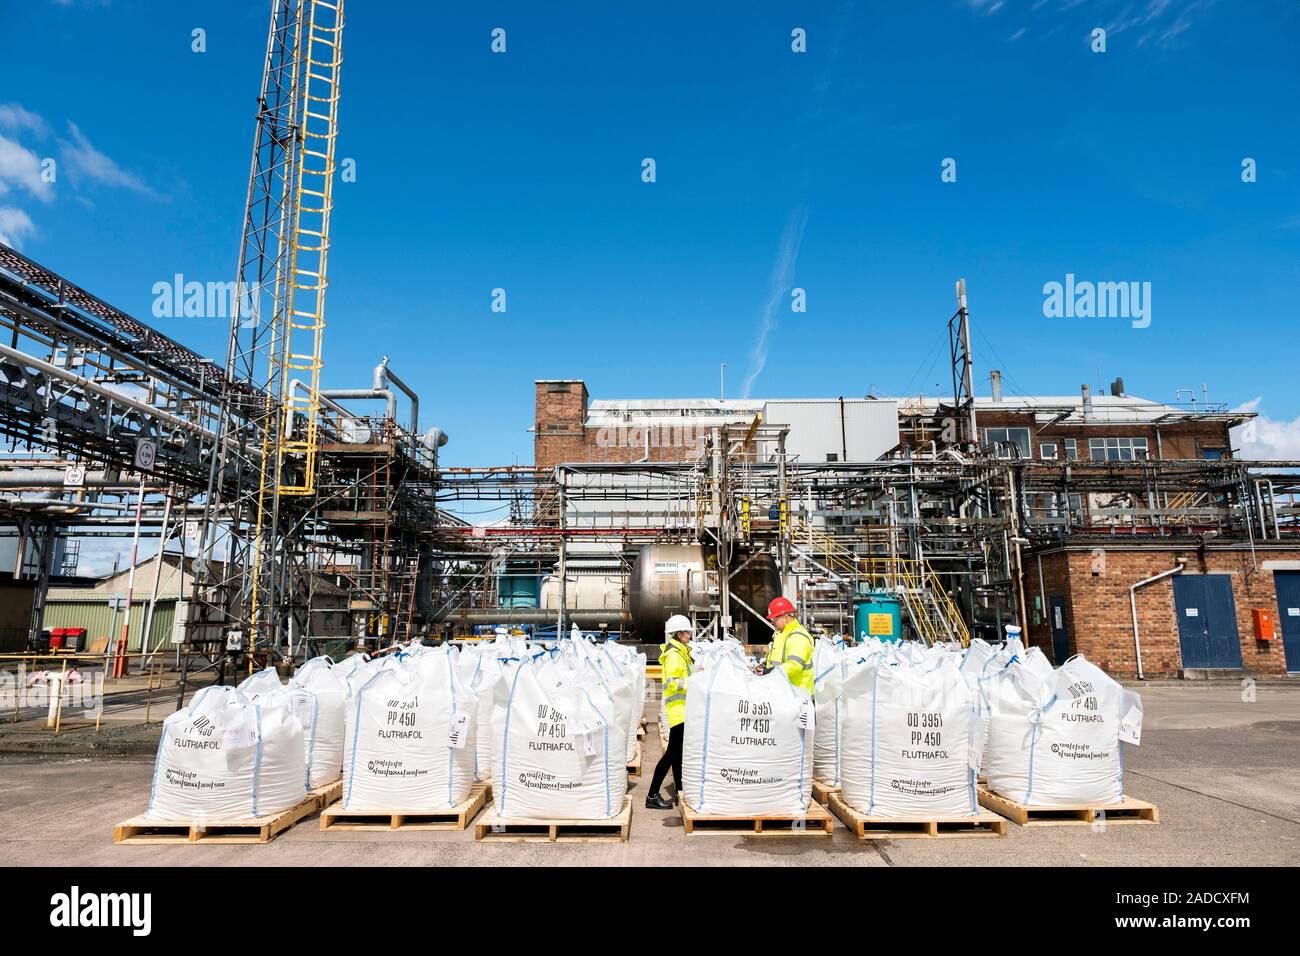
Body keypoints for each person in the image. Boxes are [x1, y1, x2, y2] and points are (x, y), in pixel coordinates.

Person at [645, 614, 693, 810]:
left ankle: (680, 791)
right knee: (672, 754)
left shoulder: (681, 651)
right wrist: (694, 683)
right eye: (688, 631)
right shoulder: (674, 655)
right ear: (680, 633)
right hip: (678, 712)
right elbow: (673, 682)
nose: (690, 634)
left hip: (683, 711)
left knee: (678, 754)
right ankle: (651, 795)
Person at [761, 596, 815, 695]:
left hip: (799, 696)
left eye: (774, 619)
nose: (772, 623)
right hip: (786, 693)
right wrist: (765, 665)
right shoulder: (783, 634)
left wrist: (769, 672)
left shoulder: (797, 636)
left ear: (785, 617)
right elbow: (778, 659)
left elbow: (794, 665)